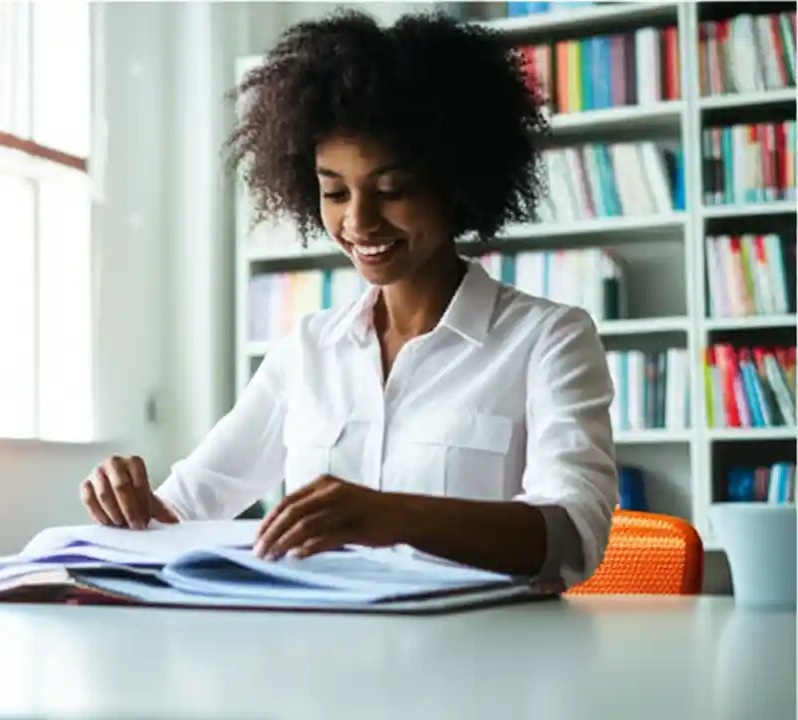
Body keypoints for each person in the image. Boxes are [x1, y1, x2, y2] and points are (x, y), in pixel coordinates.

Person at [79, 10, 617, 589]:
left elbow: (569, 540)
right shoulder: (307, 351)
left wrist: (396, 516)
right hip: (320, 663)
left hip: (482, 663)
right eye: (334, 191)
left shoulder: (547, 339)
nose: (357, 220)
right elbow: (185, 510)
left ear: (455, 183)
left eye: (392, 190)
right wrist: (129, 504)